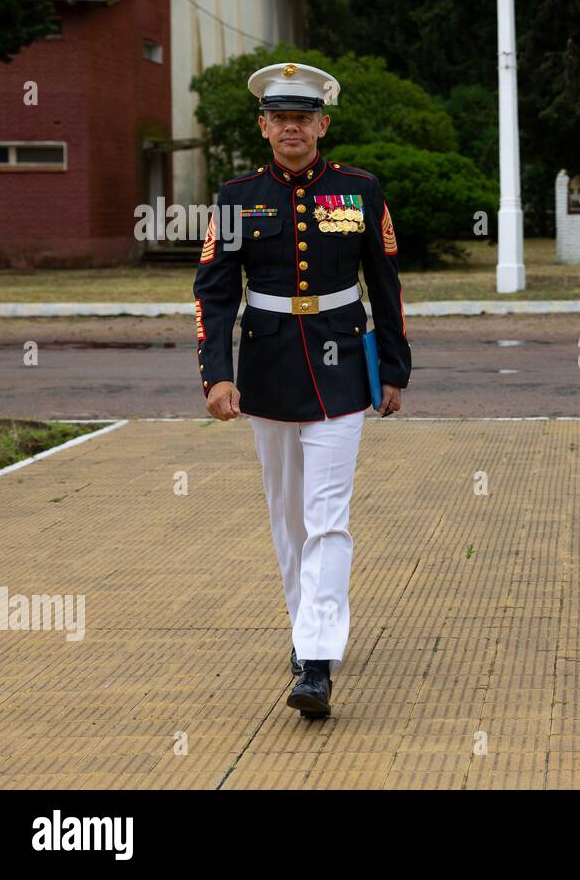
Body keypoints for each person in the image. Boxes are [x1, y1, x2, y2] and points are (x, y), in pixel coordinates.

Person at [193, 62, 411, 719]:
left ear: (323, 123)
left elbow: (387, 283)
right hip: (265, 368)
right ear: (264, 127)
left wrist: (395, 368)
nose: (293, 127)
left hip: (343, 369)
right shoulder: (235, 198)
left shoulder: (360, 191)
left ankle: (317, 659)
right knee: (288, 518)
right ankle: (303, 628)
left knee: (328, 517)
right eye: (280, 118)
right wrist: (216, 372)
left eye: (304, 117)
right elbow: (214, 292)